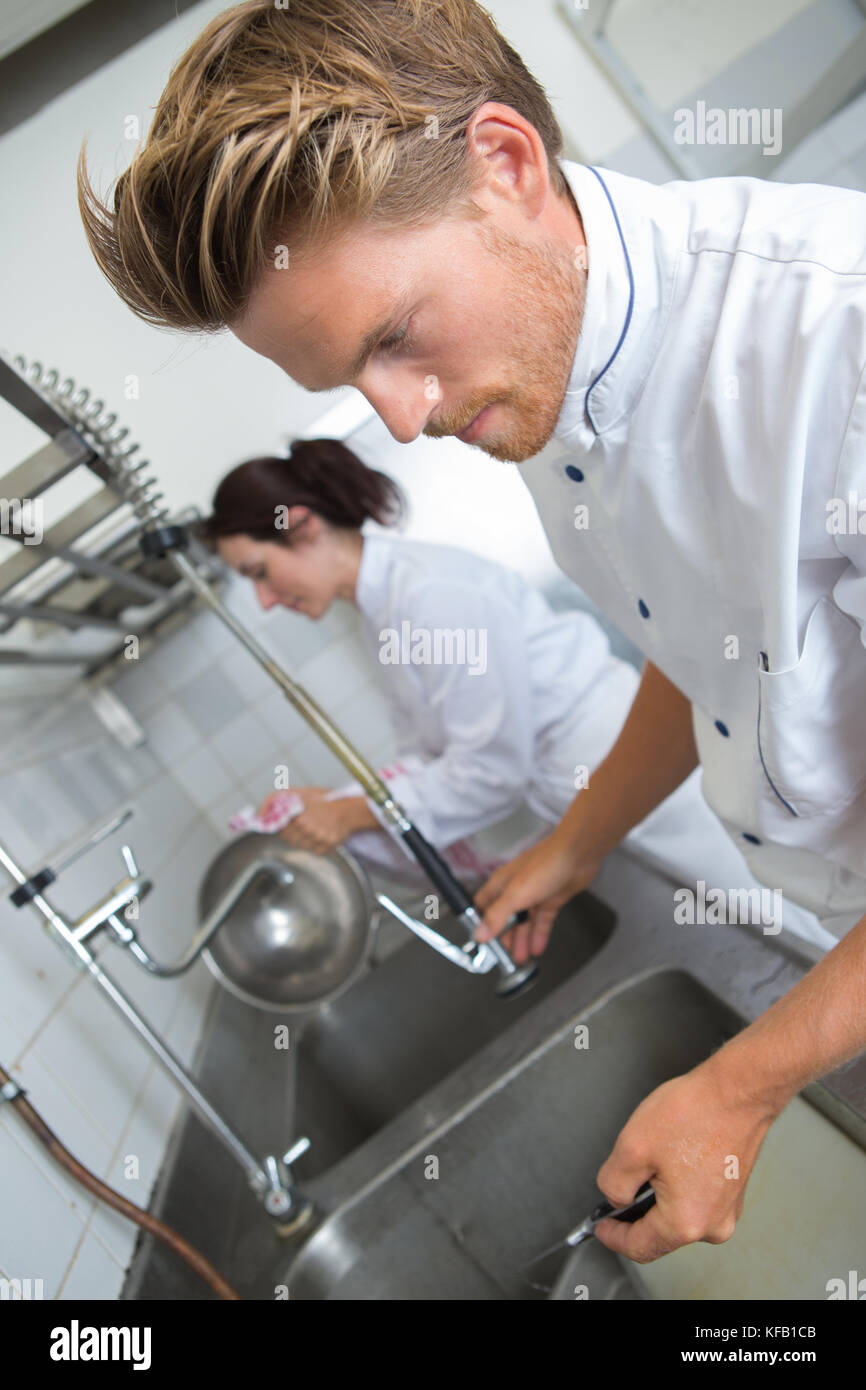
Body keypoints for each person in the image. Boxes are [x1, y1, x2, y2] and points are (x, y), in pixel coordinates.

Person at [75, 0, 866, 1265]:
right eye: (349, 381)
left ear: (504, 165)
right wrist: (573, 843)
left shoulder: (832, 334)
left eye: (392, 337)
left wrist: (741, 1084)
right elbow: (701, 638)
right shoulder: (552, 400)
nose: (396, 419)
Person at [197, 440, 828, 956]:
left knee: (791, 930)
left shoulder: (430, 596)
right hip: (595, 803)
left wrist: (355, 815)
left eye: (258, 572)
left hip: (648, 784)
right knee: (757, 939)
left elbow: (491, 770)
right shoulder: (382, 611)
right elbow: (432, 752)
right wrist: (339, 802)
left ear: (300, 528)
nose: (264, 600)